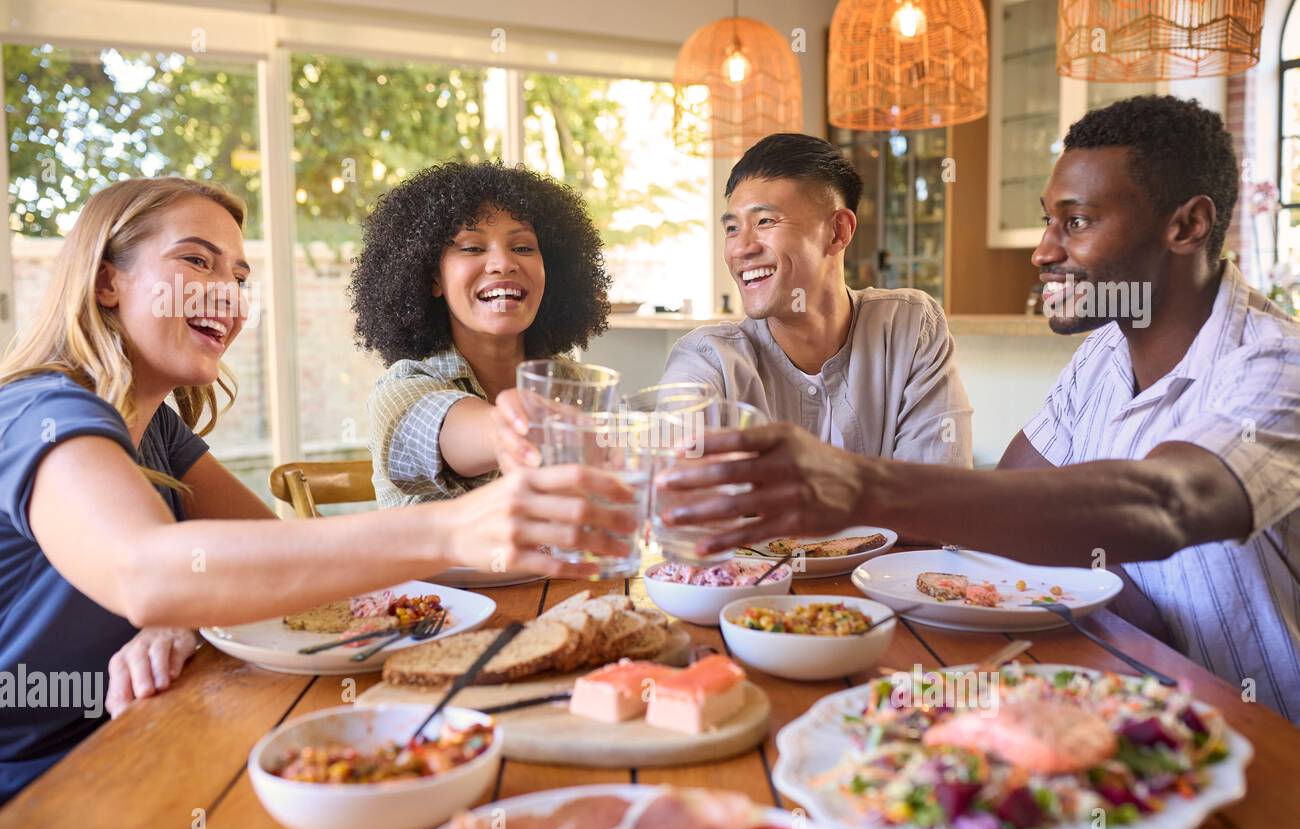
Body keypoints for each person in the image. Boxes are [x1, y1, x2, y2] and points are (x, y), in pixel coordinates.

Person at [658, 97, 1300, 723]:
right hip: (1125, 699)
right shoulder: (1103, 354)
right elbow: (997, 507)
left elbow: (1169, 505)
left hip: (1260, 737)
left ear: (1186, 226)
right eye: (1048, 220)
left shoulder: (1277, 364)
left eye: (1075, 222)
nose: (1043, 251)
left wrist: (855, 485)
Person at [0, 176, 636, 803]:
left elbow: (275, 559)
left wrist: (186, 615)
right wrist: (453, 527)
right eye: (198, 261)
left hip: (137, 741)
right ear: (107, 280)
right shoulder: (39, 411)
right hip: (41, 788)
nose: (228, 295)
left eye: (240, 278)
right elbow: (145, 573)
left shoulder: (158, 428)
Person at [659, 133, 972, 467]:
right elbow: (680, 495)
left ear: (838, 232)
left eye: (765, 221)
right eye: (733, 228)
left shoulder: (909, 326)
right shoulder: (708, 361)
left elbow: (940, 496)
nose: (741, 248)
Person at [353, 162, 611, 505]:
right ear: (433, 280)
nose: (503, 263)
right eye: (472, 248)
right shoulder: (402, 392)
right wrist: (525, 427)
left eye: (523, 248)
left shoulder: (576, 384)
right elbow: (457, 431)